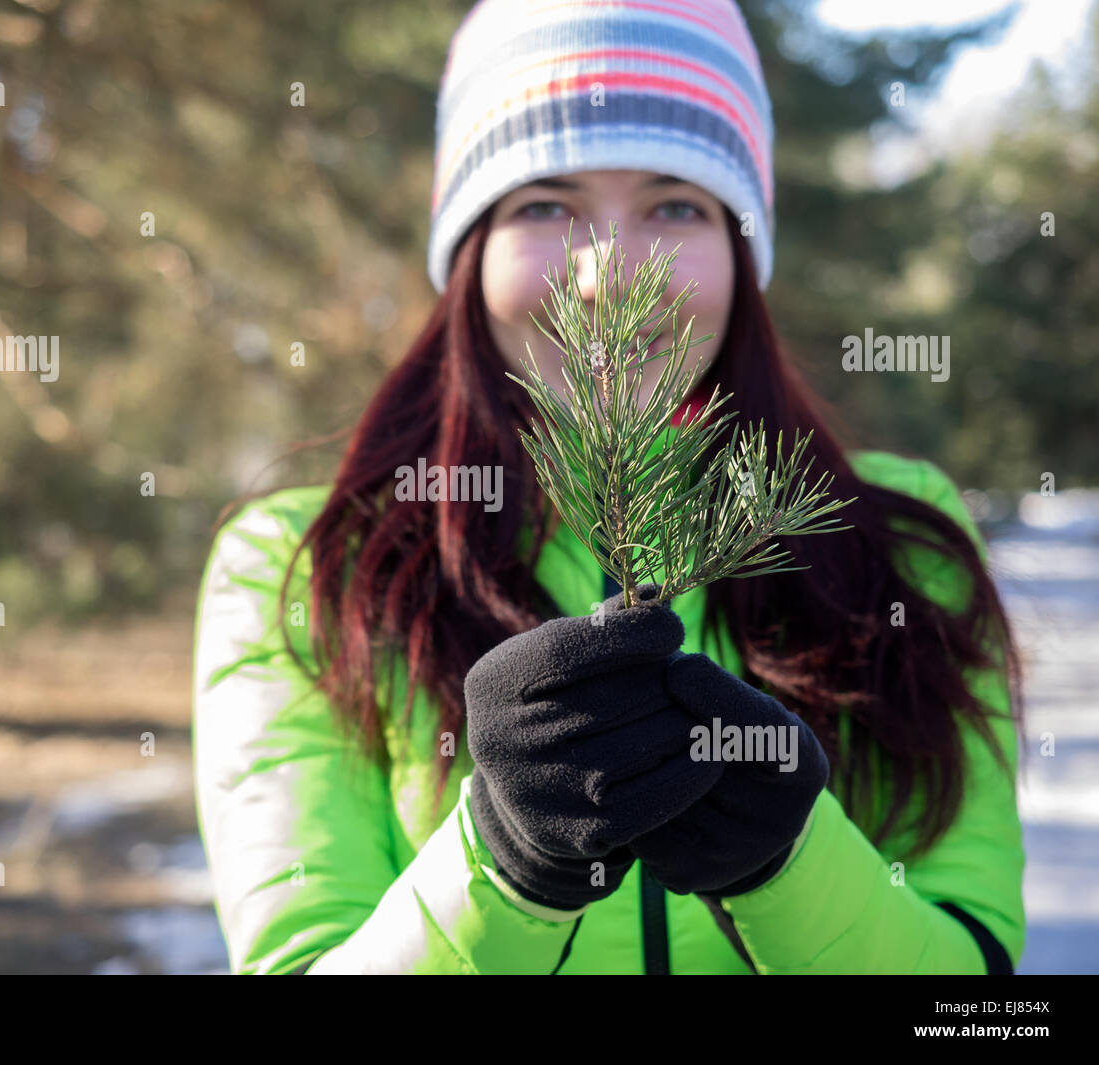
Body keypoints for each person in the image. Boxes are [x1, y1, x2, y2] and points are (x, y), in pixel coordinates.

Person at [192, 0, 1026, 975]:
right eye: (544, 206)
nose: (607, 277)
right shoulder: (308, 570)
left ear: (741, 253)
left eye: (675, 205)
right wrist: (499, 868)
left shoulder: (898, 545)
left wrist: (789, 864)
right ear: (467, 256)